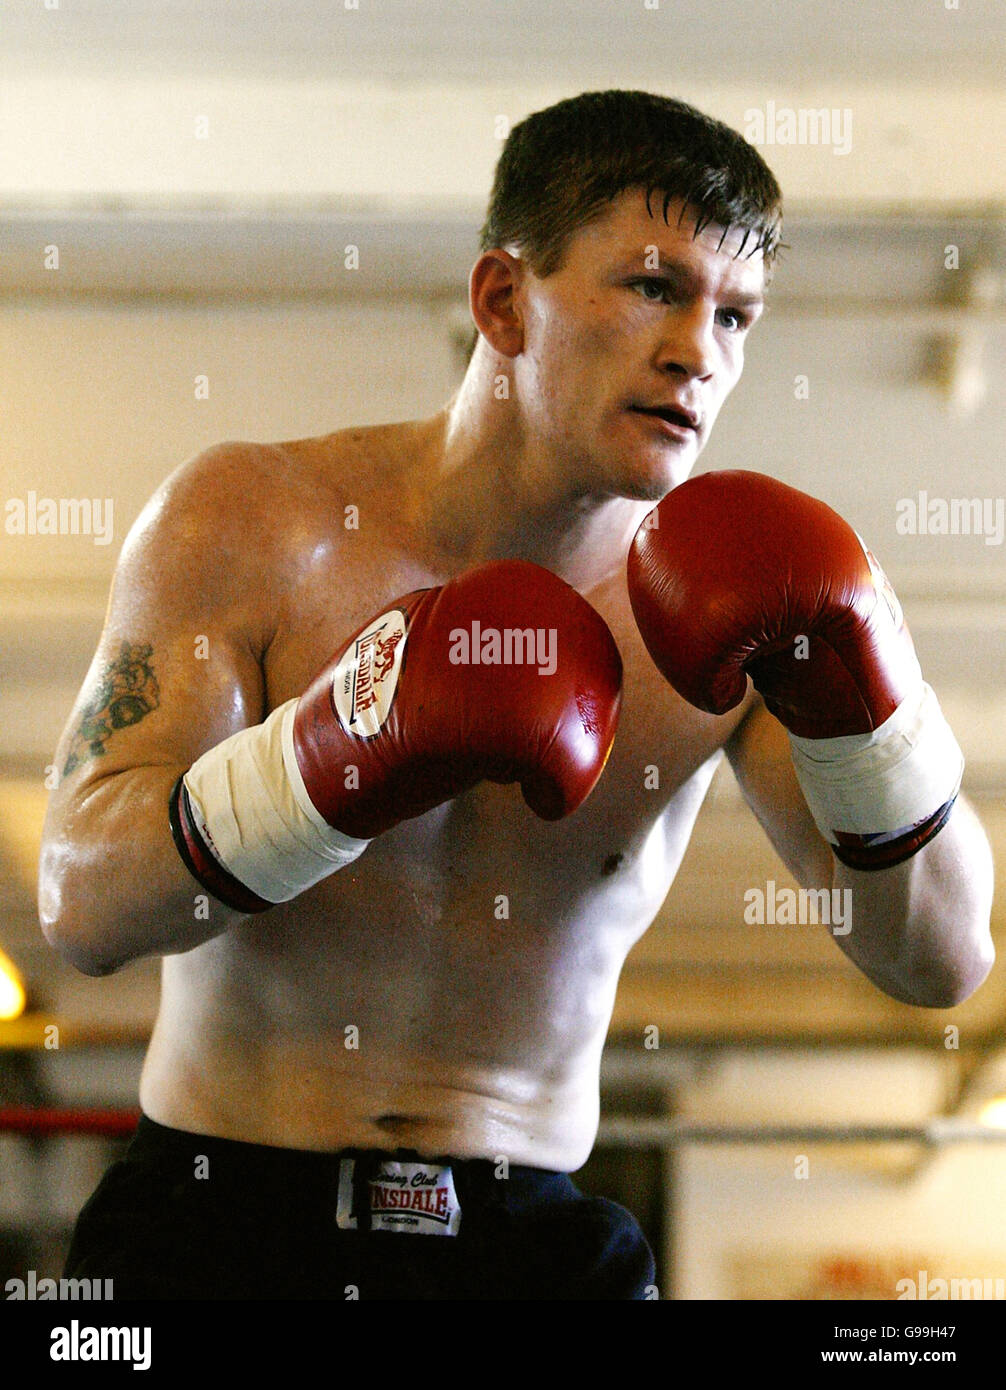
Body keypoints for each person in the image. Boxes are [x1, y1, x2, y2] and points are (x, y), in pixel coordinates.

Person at [39, 89, 994, 1301]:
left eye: (737, 315)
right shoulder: (254, 520)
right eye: (655, 287)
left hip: (531, 1246)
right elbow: (83, 902)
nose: (701, 350)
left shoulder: (726, 609)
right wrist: (328, 761)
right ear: (502, 300)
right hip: (220, 1220)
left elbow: (941, 962)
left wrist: (869, 714)